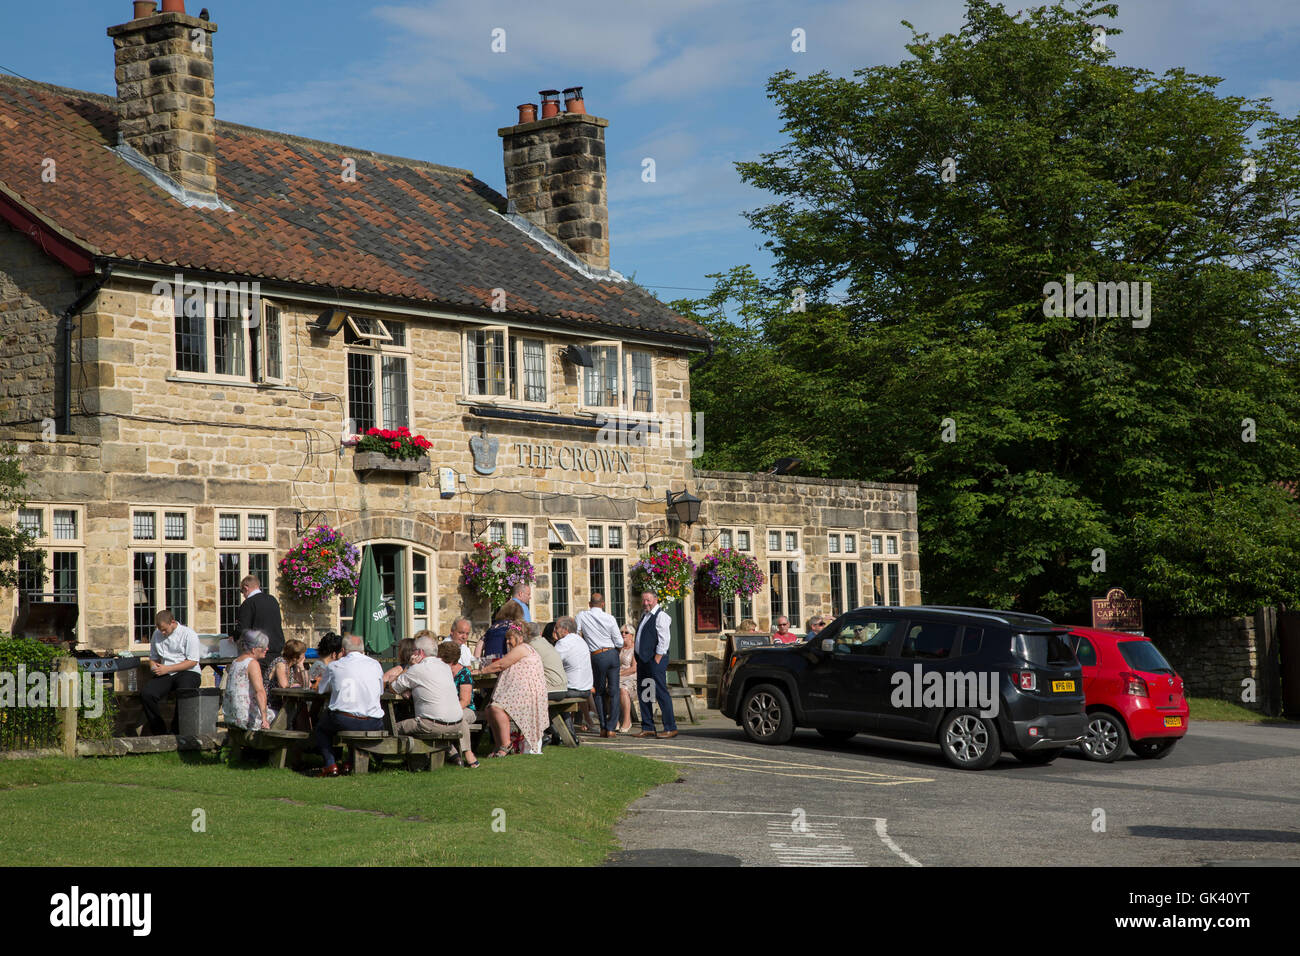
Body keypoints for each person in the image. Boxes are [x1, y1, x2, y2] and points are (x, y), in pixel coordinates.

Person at [389, 635, 478, 769]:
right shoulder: (445, 668)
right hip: (456, 723)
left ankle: (414, 763)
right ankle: (448, 756)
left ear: (420, 653)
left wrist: (409, 666)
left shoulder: (416, 669)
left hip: (431, 724)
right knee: (423, 723)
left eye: (414, 651)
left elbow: (393, 687)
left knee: (393, 728)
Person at [312, 633, 384, 777]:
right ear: (362, 650)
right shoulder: (375, 664)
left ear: (343, 651)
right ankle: (349, 762)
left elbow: (321, 690)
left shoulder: (334, 665)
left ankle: (330, 764)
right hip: (372, 721)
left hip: (344, 719)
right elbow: (380, 691)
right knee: (356, 721)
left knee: (321, 728)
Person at [479, 622, 547, 757]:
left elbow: (501, 665)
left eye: (510, 639)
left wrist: (480, 671)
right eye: (507, 639)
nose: (507, 642)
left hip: (530, 694)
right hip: (524, 691)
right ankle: (499, 745)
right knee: (489, 709)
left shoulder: (522, 648)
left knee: (496, 707)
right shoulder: (523, 649)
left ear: (520, 638)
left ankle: (506, 745)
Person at [142, 609, 203, 735]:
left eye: (165, 629)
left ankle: (177, 731)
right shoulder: (156, 634)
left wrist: (167, 668)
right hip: (166, 672)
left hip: (188, 671)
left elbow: (192, 661)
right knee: (147, 693)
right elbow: (153, 658)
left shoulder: (188, 634)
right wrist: (154, 667)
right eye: (160, 630)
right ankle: (159, 731)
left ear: (172, 622)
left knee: (184, 691)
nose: (163, 633)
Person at [577, 593, 623, 738]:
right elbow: (619, 642)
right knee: (615, 691)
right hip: (611, 653)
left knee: (599, 691)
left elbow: (577, 633)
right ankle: (611, 728)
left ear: (590, 604)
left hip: (596, 655)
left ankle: (603, 726)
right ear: (603, 604)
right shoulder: (610, 618)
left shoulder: (582, 615)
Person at [633, 590, 677, 739]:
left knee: (660, 693)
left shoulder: (661, 616)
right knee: (645, 693)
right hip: (643, 661)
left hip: (654, 660)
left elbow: (664, 640)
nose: (645, 603)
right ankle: (648, 727)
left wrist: (657, 658)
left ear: (655, 600)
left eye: (648, 600)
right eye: (644, 600)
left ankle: (670, 727)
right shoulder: (645, 615)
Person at [222, 629, 273, 731]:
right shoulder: (252, 663)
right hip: (245, 717)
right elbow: (260, 692)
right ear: (253, 649)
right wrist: (264, 718)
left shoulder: (235, 662)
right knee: (279, 714)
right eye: (263, 647)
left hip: (230, 715)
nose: (267, 648)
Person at [551, 615, 593, 738]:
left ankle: (555, 734)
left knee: (542, 696)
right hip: (585, 689)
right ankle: (569, 735)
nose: (555, 630)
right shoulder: (580, 641)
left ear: (565, 630)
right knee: (556, 700)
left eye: (556, 628)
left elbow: (550, 663)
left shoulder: (564, 643)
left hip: (573, 689)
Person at [437, 640, 477, 763]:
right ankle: (453, 752)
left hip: (466, 709)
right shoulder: (439, 673)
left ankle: (466, 751)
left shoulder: (464, 673)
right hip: (443, 710)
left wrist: (451, 711)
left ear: (450, 661)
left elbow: (465, 700)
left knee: (460, 717)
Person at [236, 574, 285, 670]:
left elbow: (243, 630)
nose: (243, 595)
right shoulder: (272, 600)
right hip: (277, 650)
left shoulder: (248, 603)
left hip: (260, 651)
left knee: (259, 682)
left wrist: (233, 635)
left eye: (242, 592)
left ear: (246, 588)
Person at [527, 622, 569, 701]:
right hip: (563, 687)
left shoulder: (530, 646)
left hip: (551, 689)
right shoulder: (547, 644)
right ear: (540, 632)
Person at [617, 624, 637, 733]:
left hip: (631, 677)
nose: (623, 634)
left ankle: (627, 720)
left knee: (623, 689)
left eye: (626, 632)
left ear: (632, 635)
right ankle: (615, 720)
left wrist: (620, 674)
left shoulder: (635, 648)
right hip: (619, 676)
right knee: (609, 687)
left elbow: (634, 668)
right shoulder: (619, 648)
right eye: (621, 632)